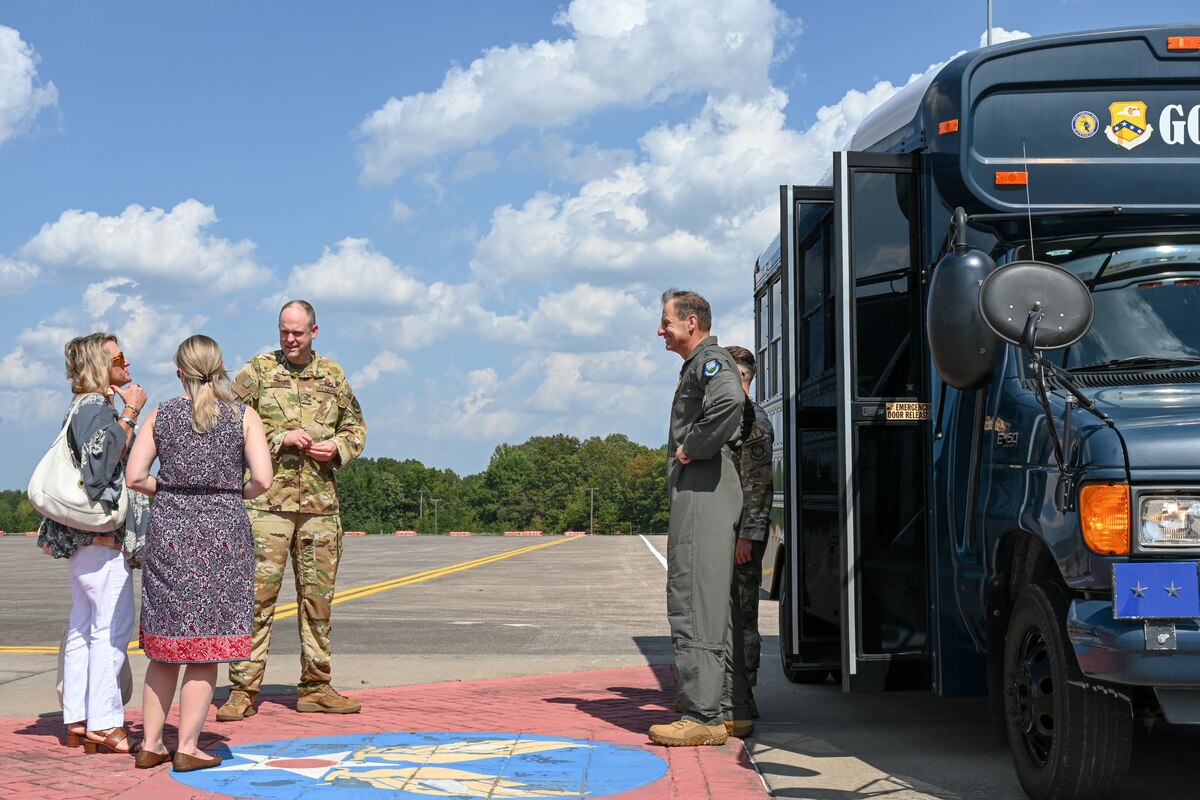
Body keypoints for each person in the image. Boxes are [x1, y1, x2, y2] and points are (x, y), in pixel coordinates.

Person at [126, 335, 272, 772]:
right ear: (221, 369)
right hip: (223, 536)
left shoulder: (161, 415)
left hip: (171, 532)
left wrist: (170, 490)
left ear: (179, 373)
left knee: (165, 648)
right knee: (204, 650)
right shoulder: (244, 417)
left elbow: (135, 476)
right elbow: (262, 481)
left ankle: (151, 743)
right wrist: (228, 491)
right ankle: (187, 746)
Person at [216, 300, 367, 721]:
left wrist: (337, 447)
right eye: (284, 331)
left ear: (314, 332)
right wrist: (279, 436)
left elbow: (356, 427)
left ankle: (316, 685)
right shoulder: (259, 371)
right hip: (267, 506)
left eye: (298, 333)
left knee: (317, 601)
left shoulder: (333, 375)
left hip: (320, 506)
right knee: (256, 601)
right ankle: (243, 689)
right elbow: (228, 417)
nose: (290, 339)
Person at [37, 333, 148, 755]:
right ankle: (105, 722)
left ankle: (79, 720)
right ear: (100, 365)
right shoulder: (96, 407)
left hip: (83, 544)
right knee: (111, 630)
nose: (128, 362)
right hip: (102, 542)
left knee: (84, 629)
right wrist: (131, 412)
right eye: (120, 356)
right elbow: (100, 468)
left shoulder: (82, 407)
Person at [650, 289, 752, 747]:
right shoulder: (702, 365)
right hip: (712, 491)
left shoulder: (710, 364)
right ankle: (730, 710)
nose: (660, 330)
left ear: (692, 322)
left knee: (693, 598)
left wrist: (693, 448)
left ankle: (702, 715)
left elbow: (730, 402)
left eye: (667, 321)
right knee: (715, 602)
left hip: (703, 492)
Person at [724, 345, 774, 718]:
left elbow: (758, 486)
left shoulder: (753, 420)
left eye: (735, 375)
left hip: (742, 536)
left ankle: (745, 696)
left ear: (745, 378)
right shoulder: (730, 416)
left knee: (743, 619)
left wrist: (747, 536)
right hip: (727, 533)